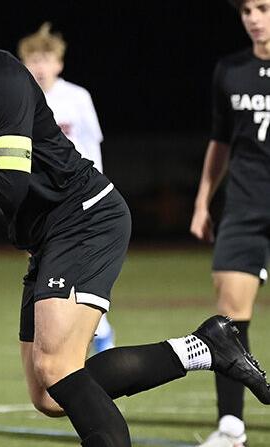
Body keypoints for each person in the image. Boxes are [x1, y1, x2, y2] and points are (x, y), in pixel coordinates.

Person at [0, 1, 270, 446]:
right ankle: (205, 347)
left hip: (84, 217)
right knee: (50, 395)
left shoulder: (1, 76)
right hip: (45, 236)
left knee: (56, 367)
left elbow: (8, 185)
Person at [190, 1, 270, 445]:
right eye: (246, 11)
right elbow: (220, 141)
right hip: (243, 207)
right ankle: (231, 428)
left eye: (263, 8)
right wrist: (203, 202)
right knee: (230, 320)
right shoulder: (230, 70)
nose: (254, 18)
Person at [18, 22, 115, 355]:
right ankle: (92, 340)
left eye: (46, 59)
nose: (40, 66)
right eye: (32, 59)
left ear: (59, 63)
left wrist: (99, 198)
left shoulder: (77, 98)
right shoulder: (17, 100)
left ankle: (99, 338)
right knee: (52, 278)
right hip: (41, 207)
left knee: (77, 276)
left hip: (79, 201)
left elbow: (93, 148)